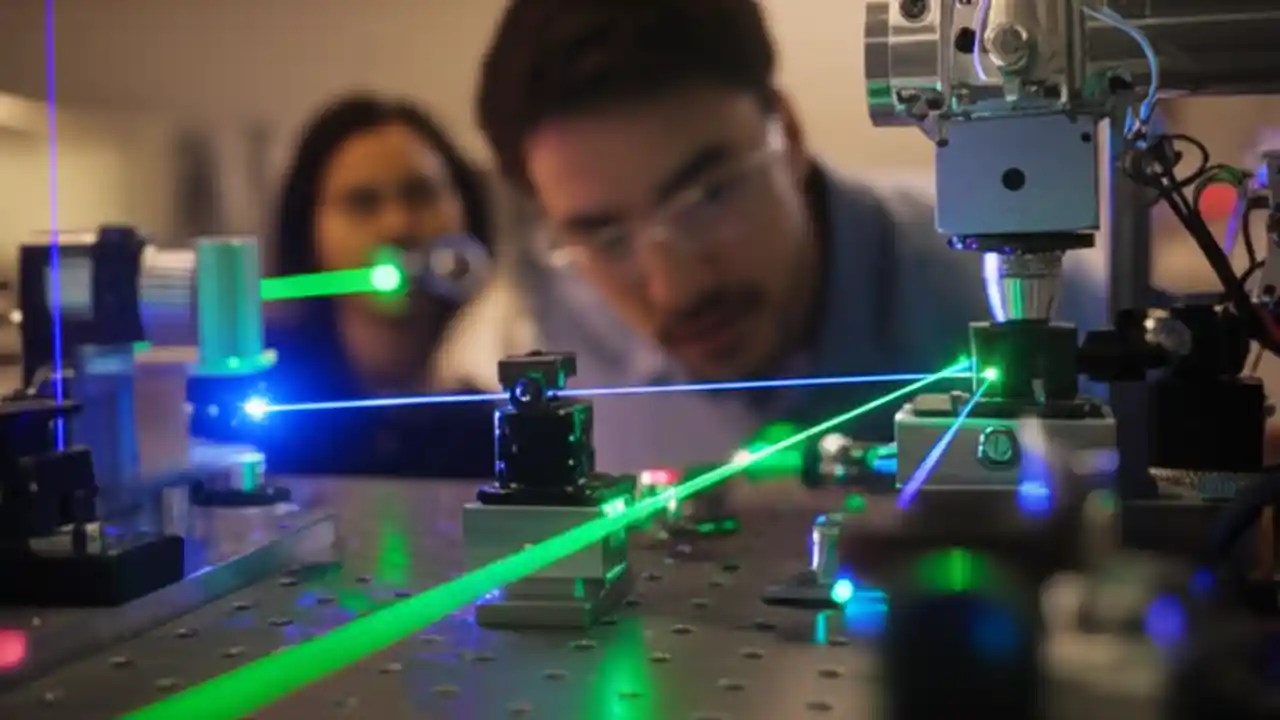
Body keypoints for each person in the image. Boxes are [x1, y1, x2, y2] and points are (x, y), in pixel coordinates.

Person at [435, 0, 1022, 473]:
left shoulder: (1003, 303)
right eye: (606, 237)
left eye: (708, 197)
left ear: (787, 135)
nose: (675, 288)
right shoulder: (540, 331)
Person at [252, 94, 496, 477]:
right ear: (309, 230)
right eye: (362, 203)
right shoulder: (268, 390)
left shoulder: (493, 381)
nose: (397, 226)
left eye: (421, 194)